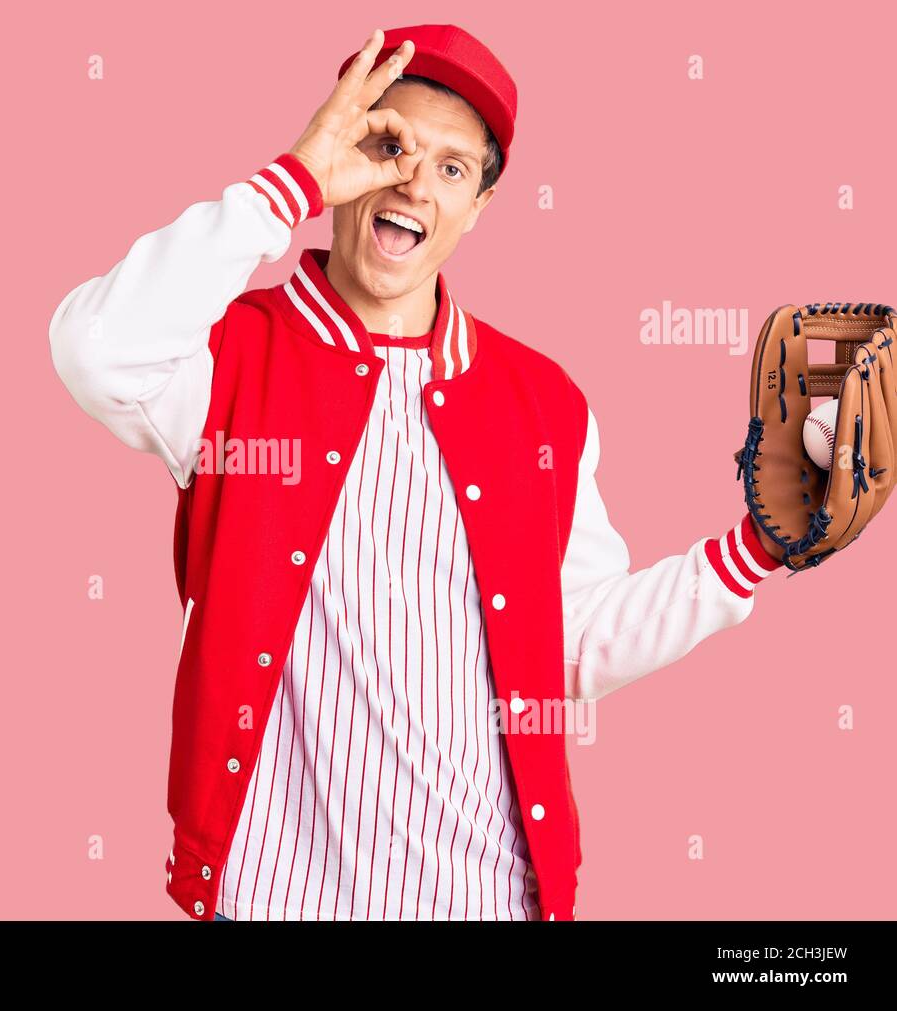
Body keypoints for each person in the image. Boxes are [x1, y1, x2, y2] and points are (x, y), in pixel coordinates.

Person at [48, 24, 781, 921]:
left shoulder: (544, 402)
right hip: (275, 897)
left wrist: (754, 550)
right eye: (386, 144)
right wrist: (291, 182)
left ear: (476, 206)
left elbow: (573, 643)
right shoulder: (225, 358)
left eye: (450, 167)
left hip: (487, 898)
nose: (411, 184)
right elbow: (94, 349)